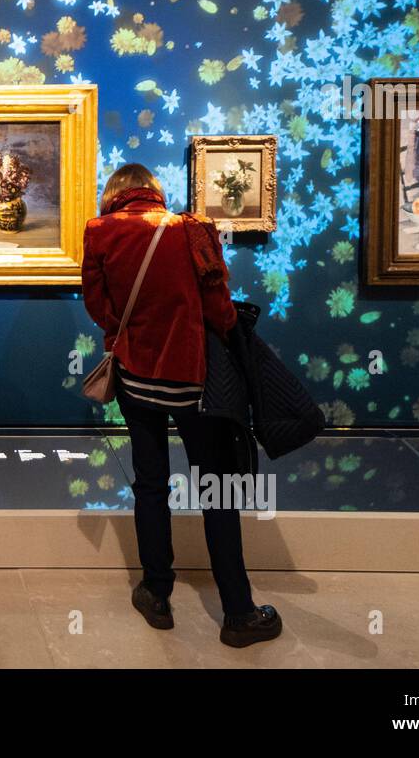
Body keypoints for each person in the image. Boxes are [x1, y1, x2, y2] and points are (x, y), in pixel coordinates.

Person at [81, 163, 282, 648]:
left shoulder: (99, 231)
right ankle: (238, 612)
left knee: (150, 484)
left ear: (114, 195)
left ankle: (156, 593)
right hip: (192, 382)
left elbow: (98, 306)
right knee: (214, 487)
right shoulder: (191, 229)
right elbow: (218, 307)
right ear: (155, 193)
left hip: (134, 380)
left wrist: (124, 333)